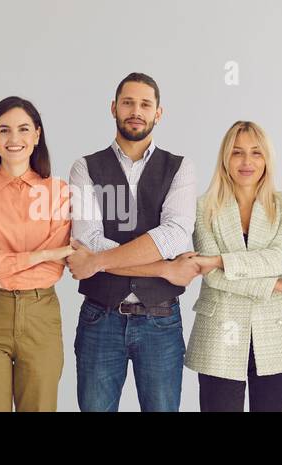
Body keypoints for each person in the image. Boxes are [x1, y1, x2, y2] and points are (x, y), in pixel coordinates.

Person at [64, 72, 199, 412]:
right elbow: (89, 239)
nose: (135, 111)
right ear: (113, 108)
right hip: (100, 317)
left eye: (145, 104)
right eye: (128, 103)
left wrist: (97, 262)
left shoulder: (180, 168)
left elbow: (175, 235)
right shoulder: (85, 168)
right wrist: (166, 270)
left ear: (158, 113)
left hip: (161, 321)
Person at [0, 96, 72, 412]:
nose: (14, 139)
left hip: (41, 313)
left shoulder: (58, 191)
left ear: (37, 135)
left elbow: (53, 270)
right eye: (4, 130)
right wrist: (41, 253)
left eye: (23, 129)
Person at [185, 121, 282, 412]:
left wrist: (220, 260)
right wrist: (275, 285)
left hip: (275, 332)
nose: (247, 162)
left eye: (256, 153)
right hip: (220, 330)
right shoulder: (202, 207)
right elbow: (212, 277)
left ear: (267, 159)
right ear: (225, 158)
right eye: (237, 153)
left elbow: (278, 258)